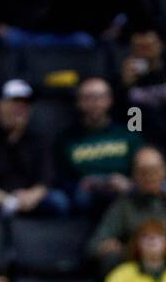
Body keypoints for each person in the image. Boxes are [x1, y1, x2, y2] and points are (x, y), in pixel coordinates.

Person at [88, 146, 166, 273]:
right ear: (134, 175)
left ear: (165, 171)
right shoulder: (122, 207)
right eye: (143, 172)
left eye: (154, 170)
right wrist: (108, 247)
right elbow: (95, 245)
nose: (149, 176)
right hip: (135, 275)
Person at [0, 79, 71, 218]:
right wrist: (3, 199)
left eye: (25, 104)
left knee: (58, 201)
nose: (20, 108)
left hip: (29, 197)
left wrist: (33, 195)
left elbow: (47, 175)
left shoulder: (39, 138)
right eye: (14, 102)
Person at [56, 76, 140, 212]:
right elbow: (60, 179)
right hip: (85, 197)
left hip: (123, 191)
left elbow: (143, 165)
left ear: (110, 100)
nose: (95, 103)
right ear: (79, 102)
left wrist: (128, 182)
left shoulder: (128, 133)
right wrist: (81, 184)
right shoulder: (66, 139)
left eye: (100, 97)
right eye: (88, 98)